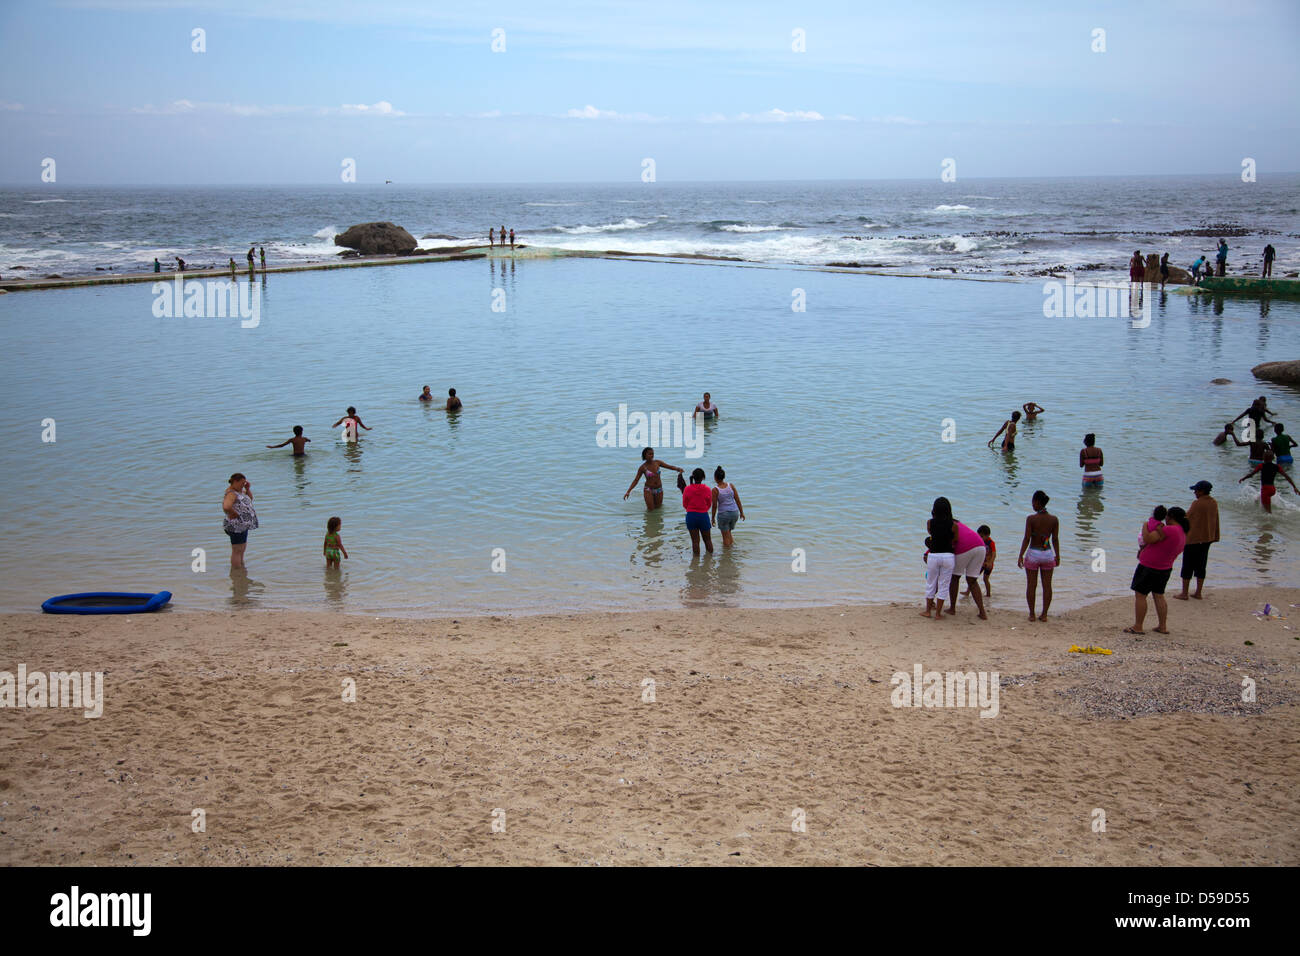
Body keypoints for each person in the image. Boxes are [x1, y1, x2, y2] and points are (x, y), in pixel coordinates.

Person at [1126, 506, 1187, 634]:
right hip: (1165, 567)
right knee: (1158, 595)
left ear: (1170, 517)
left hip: (1150, 566)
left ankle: (1138, 626)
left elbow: (1148, 538)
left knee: (1140, 595)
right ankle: (1162, 626)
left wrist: (1145, 525)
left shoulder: (1169, 530)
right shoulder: (1182, 531)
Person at [1017, 490, 1059, 622]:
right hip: (1047, 554)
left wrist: (1020, 555)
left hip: (1033, 554)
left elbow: (1027, 538)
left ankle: (1032, 614)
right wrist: (1057, 555)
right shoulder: (1054, 520)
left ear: (1036, 502)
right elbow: (1055, 539)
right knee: (1047, 586)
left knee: (1031, 585)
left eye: (1032, 502)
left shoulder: (1031, 519)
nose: (1032, 504)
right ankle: (1044, 614)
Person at [1176, 481, 1219, 600]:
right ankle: (1198, 593)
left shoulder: (1197, 503)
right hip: (1207, 539)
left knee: (1187, 565)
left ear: (1202, 491)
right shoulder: (1213, 502)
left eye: (1196, 490)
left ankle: (1184, 593)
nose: (1194, 492)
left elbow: (1187, 517)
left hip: (1194, 539)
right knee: (1201, 565)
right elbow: (1215, 520)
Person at [921, 497, 957, 620]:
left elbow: (931, 534)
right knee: (944, 584)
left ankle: (927, 611)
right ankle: (938, 614)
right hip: (948, 556)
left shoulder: (930, 522)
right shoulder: (953, 525)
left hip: (934, 555)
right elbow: (955, 540)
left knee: (931, 583)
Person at [947, 518, 988, 620]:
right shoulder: (958, 523)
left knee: (955, 577)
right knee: (972, 581)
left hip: (965, 547)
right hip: (981, 546)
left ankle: (952, 608)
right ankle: (982, 612)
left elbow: (953, 541)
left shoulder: (947, 524)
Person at [1239, 447, 1298, 513]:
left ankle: (1270, 522)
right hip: (1272, 489)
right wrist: (1294, 487)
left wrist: (1243, 478)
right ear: (1273, 458)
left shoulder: (1261, 466)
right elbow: (1287, 476)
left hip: (1265, 489)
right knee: (1257, 499)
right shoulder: (1277, 466)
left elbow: (1251, 474)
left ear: (1263, 457)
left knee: (1268, 512)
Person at [625, 447, 683, 511]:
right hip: (648, 490)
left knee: (658, 509)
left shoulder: (657, 462)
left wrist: (678, 469)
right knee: (650, 510)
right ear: (645, 455)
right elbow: (636, 480)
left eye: (652, 454)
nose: (652, 455)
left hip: (659, 489)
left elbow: (669, 467)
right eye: (649, 454)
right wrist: (628, 491)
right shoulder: (642, 467)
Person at [222, 473, 258, 569]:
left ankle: (241, 568)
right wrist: (233, 513)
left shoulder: (239, 491)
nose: (244, 485)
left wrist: (247, 489)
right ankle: (236, 571)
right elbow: (226, 506)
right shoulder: (231, 493)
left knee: (242, 548)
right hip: (235, 526)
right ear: (235, 482)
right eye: (242, 483)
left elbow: (250, 498)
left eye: (245, 483)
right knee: (237, 550)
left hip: (242, 525)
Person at [681, 468, 714, 556]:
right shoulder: (707, 489)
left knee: (695, 542)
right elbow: (709, 504)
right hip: (703, 515)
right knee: (708, 540)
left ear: (693, 477)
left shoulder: (687, 489)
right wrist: (703, 509)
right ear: (703, 477)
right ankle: (710, 560)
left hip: (691, 516)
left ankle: (695, 564)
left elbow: (685, 504)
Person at [710, 466, 744, 547]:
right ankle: (732, 551)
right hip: (734, 513)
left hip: (723, 515)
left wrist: (713, 518)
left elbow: (714, 506)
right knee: (728, 533)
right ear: (724, 477)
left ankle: (727, 556)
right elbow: (738, 500)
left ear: (715, 478)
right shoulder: (731, 485)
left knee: (725, 537)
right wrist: (742, 513)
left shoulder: (715, 490)